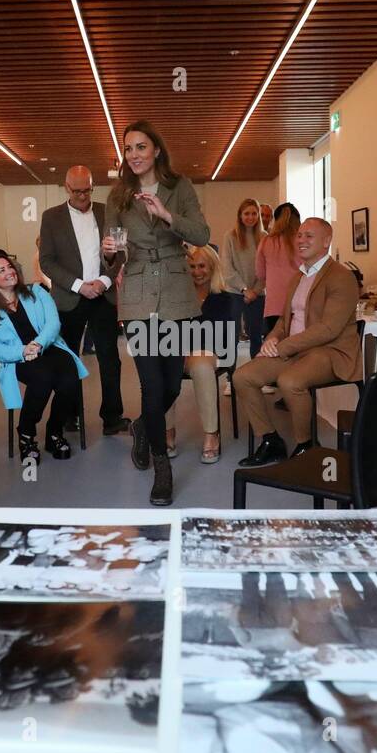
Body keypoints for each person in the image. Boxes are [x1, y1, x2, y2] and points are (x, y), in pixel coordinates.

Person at [102, 120, 210, 505]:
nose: (133, 155)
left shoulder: (180, 186)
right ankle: (162, 469)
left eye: (140, 147)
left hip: (178, 291)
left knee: (172, 384)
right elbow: (112, 254)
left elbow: (201, 234)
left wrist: (167, 215)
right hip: (139, 291)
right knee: (151, 383)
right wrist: (109, 253)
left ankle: (143, 428)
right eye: (128, 148)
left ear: (156, 150)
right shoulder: (117, 195)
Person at [236, 217, 362, 465]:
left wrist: (282, 348)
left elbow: (329, 329)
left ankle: (306, 445)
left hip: (329, 352)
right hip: (296, 350)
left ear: (327, 241)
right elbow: (284, 321)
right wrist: (271, 339)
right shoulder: (298, 277)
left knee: (290, 381)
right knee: (243, 376)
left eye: (309, 236)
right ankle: (271, 440)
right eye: (300, 235)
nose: (301, 240)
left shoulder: (341, 277)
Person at [38, 165, 132, 437]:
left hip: (104, 296)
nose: (82, 195)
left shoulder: (108, 212)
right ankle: (70, 415)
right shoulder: (51, 217)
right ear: (66, 188)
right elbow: (47, 261)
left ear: (93, 186)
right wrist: (80, 286)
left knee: (110, 359)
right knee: (69, 360)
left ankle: (112, 418)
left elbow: (122, 253)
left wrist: (103, 282)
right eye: (76, 190)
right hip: (70, 298)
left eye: (86, 190)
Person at [0, 250, 87, 463]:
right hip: (17, 358)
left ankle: (54, 432)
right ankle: (26, 434)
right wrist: (23, 351)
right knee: (42, 378)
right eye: (2, 270)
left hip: (49, 347)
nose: (10, 271)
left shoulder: (36, 292)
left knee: (69, 376)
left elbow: (54, 323)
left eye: (9, 266)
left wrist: (37, 344)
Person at [164, 244, 231, 464]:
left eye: (202, 266)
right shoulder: (177, 295)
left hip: (211, 352)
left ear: (212, 268)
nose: (196, 271)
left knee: (201, 365)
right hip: (180, 350)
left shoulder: (223, 297)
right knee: (161, 364)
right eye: (191, 266)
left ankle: (212, 435)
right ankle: (167, 431)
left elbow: (219, 337)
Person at [221, 198, 267, 361]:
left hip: (258, 294)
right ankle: (230, 378)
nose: (250, 217)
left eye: (254, 213)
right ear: (240, 216)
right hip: (234, 293)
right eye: (246, 213)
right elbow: (226, 267)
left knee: (256, 336)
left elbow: (267, 268)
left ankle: (257, 377)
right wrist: (244, 289)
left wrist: (255, 290)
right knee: (231, 337)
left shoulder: (264, 237)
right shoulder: (230, 237)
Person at [256, 202, 301, 335]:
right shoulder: (302, 242)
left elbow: (260, 274)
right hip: (298, 304)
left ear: (275, 220)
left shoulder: (266, 242)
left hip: (274, 305)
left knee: (275, 347)